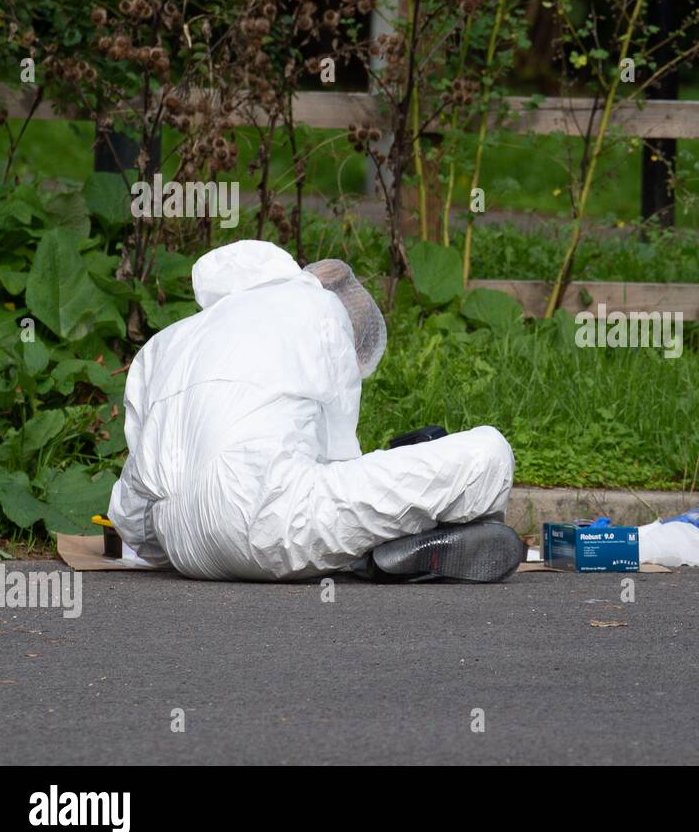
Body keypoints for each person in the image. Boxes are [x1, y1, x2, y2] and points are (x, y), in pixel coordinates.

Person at [108, 239, 523, 582]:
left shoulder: (165, 343)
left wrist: (182, 544)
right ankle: (393, 546)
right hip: (275, 533)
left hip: (183, 552)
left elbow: (131, 512)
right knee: (490, 453)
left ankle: (399, 549)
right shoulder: (316, 306)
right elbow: (339, 456)